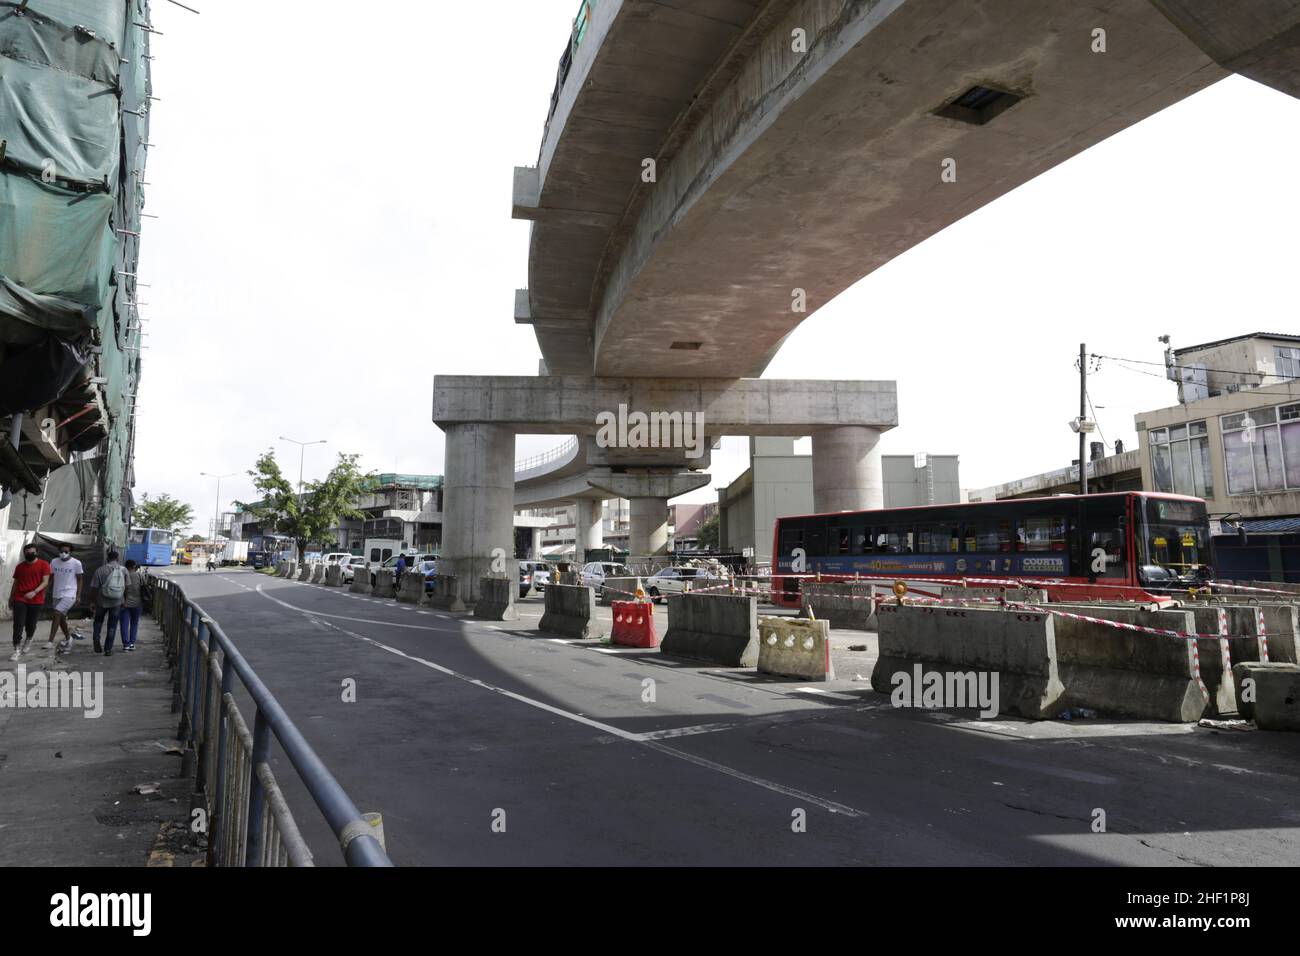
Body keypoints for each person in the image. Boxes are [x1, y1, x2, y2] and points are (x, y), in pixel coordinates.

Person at [9, 543, 51, 661]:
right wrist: (11, 598)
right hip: (20, 598)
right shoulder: (20, 567)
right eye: (27, 553)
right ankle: (16, 649)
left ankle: (29, 639)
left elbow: (45, 582)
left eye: (32, 552)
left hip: (36, 599)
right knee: (18, 624)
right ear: (24, 553)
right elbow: (16, 583)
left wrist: (35, 591)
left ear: (36, 552)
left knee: (31, 624)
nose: (30, 554)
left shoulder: (44, 565)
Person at [47, 543, 85, 653]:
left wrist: (78, 595)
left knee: (57, 613)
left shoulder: (76, 563)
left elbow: (80, 580)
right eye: (61, 551)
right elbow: (51, 577)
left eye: (66, 552)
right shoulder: (54, 562)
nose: (63, 553)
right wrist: (45, 591)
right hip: (56, 593)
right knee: (61, 618)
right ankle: (69, 638)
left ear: (70, 552)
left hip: (70, 593)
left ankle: (50, 641)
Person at [89, 550, 127, 656]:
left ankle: (96, 637)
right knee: (112, 625)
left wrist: (92, 601)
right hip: (117, 602)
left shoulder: (100, 570)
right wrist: (125, 600)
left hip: (102, 601)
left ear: (107, 558)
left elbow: (94, 588)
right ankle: (108, 649)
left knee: (98, 621)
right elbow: (127, 587)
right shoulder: (124, 570)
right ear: (118, 558)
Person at [120, 559, 144, 652]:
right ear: (134, 566)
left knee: (124, 624)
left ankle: (125, 645)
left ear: (126, 566)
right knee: (134, 623)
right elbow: (144, 587)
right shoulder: (139, 575)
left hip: (124, 603)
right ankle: (132, 644)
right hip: (137, 603)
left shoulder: (123, 575)